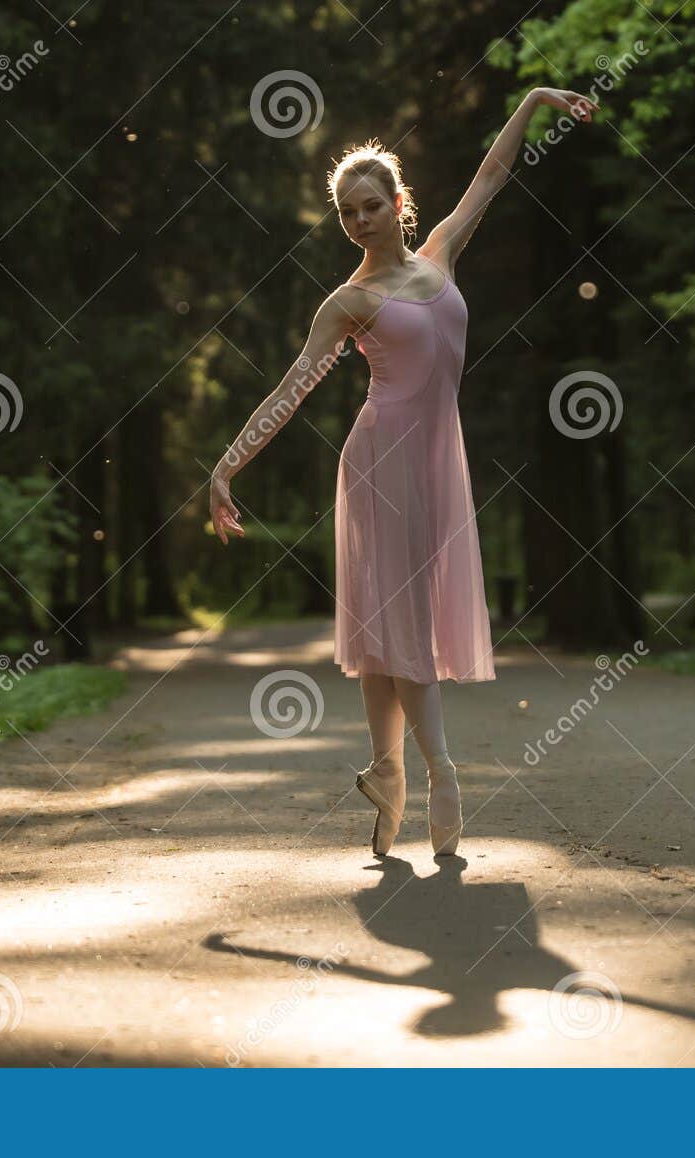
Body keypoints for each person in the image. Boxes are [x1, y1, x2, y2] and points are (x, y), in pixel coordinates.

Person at [209, 86, 596, 858]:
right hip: (381, 463)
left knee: (391, 633)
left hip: (435, 459)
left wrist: (530, 101)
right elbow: (291, 389)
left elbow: (491, 174)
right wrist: (224, 467)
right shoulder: (349, 301)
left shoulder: (442, 253)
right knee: (396, 626)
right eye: (347, 212)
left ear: (397, 203)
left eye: (370, 205)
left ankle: (388, 774)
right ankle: (441, 775)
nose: (359, 220)